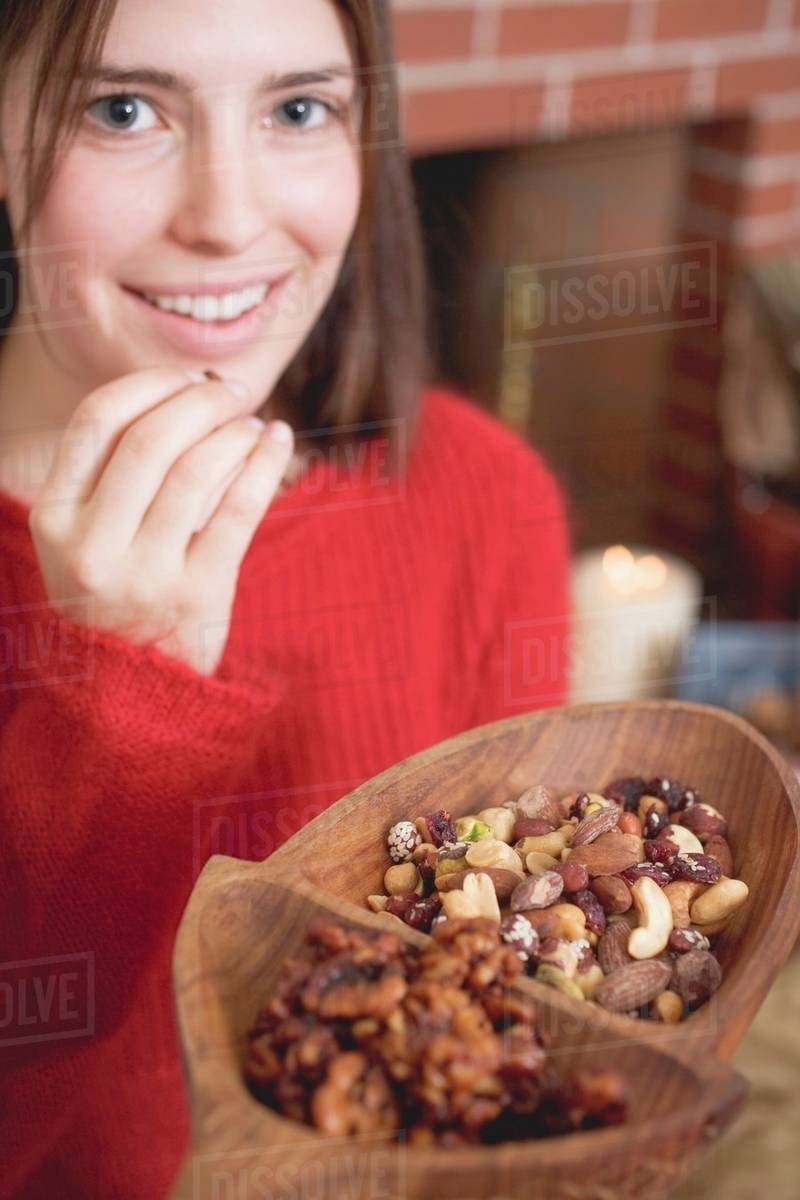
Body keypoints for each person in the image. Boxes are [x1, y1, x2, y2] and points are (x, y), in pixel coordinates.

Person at [0, 0, 571, 1195]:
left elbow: (507, 999)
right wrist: (114, 713)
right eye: (122, 110)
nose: (229, 220)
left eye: (298, 109)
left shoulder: (479, 495)